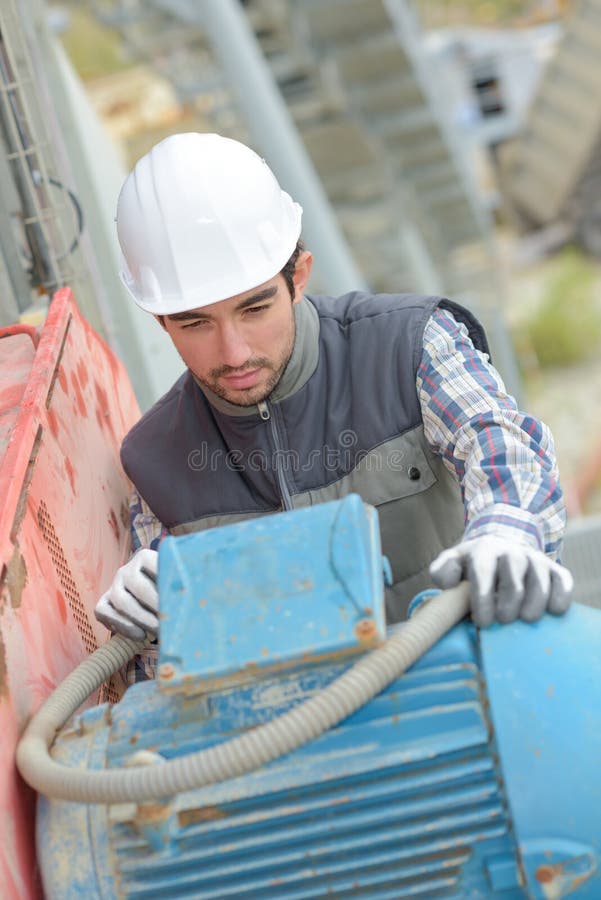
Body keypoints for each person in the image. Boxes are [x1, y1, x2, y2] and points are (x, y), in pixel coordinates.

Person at [95, 132, 573, 673]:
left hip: (479, 686)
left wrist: (507, 527)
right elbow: (169, 677)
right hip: (302, 740)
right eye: (195, 323)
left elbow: (502, 442)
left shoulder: (408, 345)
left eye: (254, 309)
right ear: (160, 319)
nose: (234, 352)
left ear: (297, 276)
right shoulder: (156, 460)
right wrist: (149, 624)